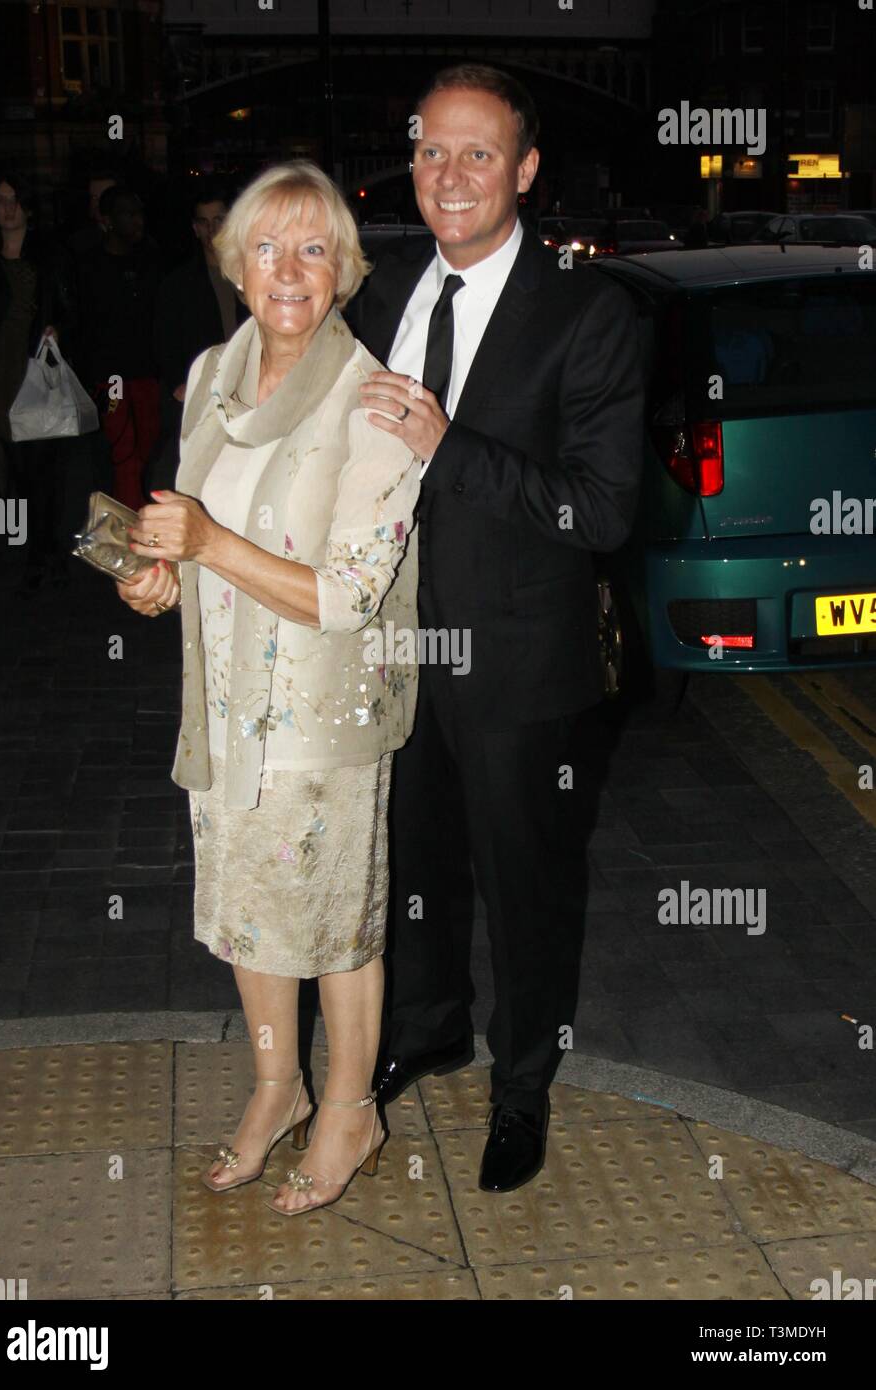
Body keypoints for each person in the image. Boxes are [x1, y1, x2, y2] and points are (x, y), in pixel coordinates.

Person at [345, 64, 644, 1192]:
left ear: (523, 171)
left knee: (525, 887)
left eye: (479, 154)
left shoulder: (589, 313)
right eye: (432, 150)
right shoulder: (379, 299)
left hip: (520, 663)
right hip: (393, 648)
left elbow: (602, 508)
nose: (451, 174)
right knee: (411, 862)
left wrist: (446, 444)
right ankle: (427, 1027)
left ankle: (521, 1088)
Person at [114, 161, 421, 1215]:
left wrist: (209, 541)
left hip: (321, 711)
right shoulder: (211, 374)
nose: (288, 269)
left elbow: (347, 595)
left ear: (343, 269)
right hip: (227, 702)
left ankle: (350, 1106)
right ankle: (275, 1085)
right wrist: (164, 571)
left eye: (313, 248)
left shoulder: (373, 401)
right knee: (249, 913)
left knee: (334, 922)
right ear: (232, 262)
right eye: (265, 246)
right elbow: (197, 529)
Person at [0, 169, 79, 590]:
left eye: (14, 199)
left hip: (37, 365)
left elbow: (70, 303)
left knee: (42, 462)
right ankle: (31, 542)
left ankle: (45, 548)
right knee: (9, 457)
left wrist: (59, 329)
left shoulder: (50, 251)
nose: (7, 208)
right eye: (0, 200)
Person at [150, 180, 250, 492]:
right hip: (203, 394)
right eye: (204, 223)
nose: (212, 230)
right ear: (195, 228)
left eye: (219, 220)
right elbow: (166, 342)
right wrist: (181, 384)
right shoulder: (178, 284)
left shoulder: (253, 274)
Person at [75, 185, 162, 510]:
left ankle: (133, 514)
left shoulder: (151, 261)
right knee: (122, 452)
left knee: (147, 448)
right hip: (110, 378)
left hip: (146, 374)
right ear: (108, 220)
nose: (137, 221)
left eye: (140, 213)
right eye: (129, 214)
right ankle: (129, 530)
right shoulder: (89, 266)